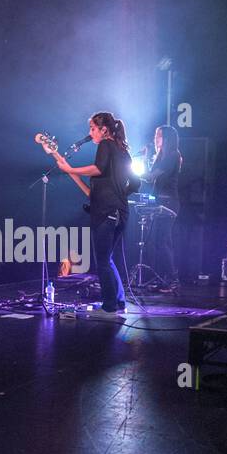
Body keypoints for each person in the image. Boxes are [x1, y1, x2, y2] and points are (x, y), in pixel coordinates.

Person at [55, 111, 134, 317]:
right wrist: (70, 171)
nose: (90, 133)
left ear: (103, 130)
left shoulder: (106, 145)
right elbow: (134, 183)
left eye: (92, 128)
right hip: (120, 212)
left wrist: (74, 169)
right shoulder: (122, 151)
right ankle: (118, 301)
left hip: (107, 212)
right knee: (107, 259)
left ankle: (109, 306)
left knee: (102, 260)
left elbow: (98, 168)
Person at [142, 124, 183, 290]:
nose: (155, 138)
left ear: (166, 139)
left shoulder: (172, 156)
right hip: (159, 201)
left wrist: (140, 164)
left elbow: (151, 177)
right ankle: (163, 278)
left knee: (164, 241)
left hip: (168, 203)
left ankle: (173, 279)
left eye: (158, 136)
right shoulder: (161, 156)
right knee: (157, 242)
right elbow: (150, 179)